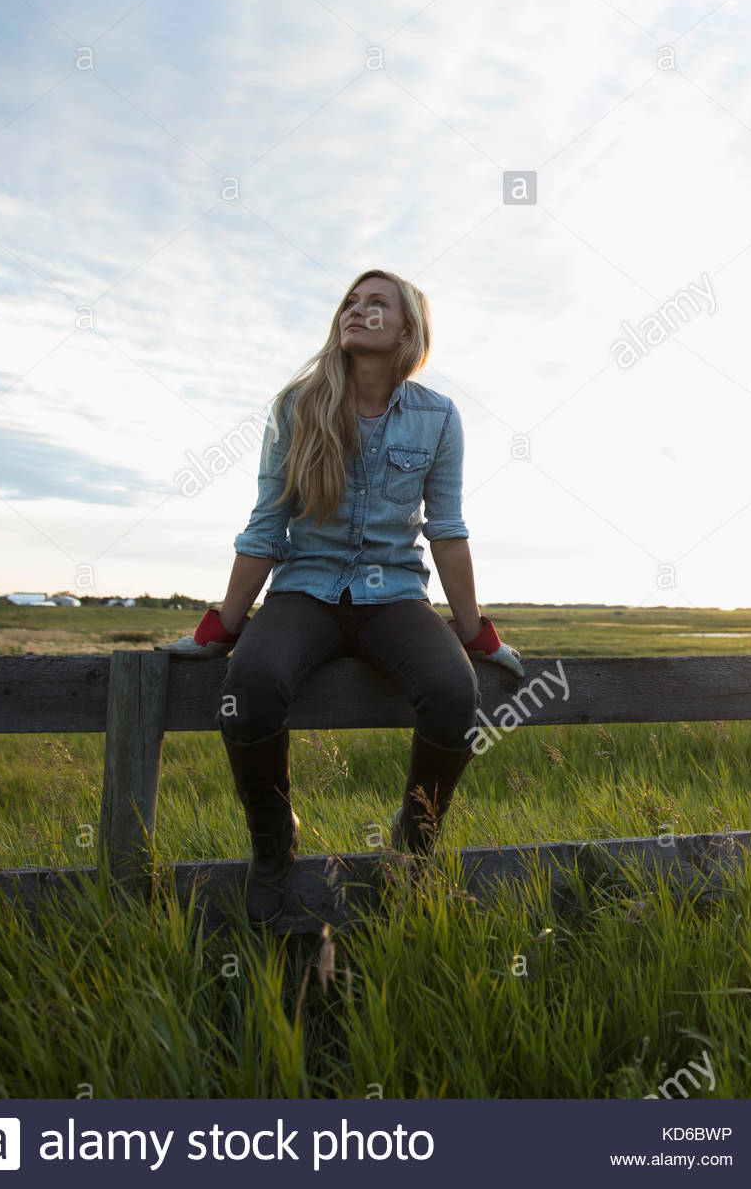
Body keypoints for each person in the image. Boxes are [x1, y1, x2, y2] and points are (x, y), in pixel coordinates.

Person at [158, 269, 525, 925]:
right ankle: (274, 845)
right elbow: (267, 521)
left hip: (395, 596)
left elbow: (446, 529)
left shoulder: (439, 418)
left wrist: (473, 631)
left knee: (453, 692)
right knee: (251, 688)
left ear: (407, 328)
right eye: (351, 302)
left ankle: (413, 845)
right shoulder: (298, 405)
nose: (358, 310)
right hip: (305, 590)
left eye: (376, 303)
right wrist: (224, 624)